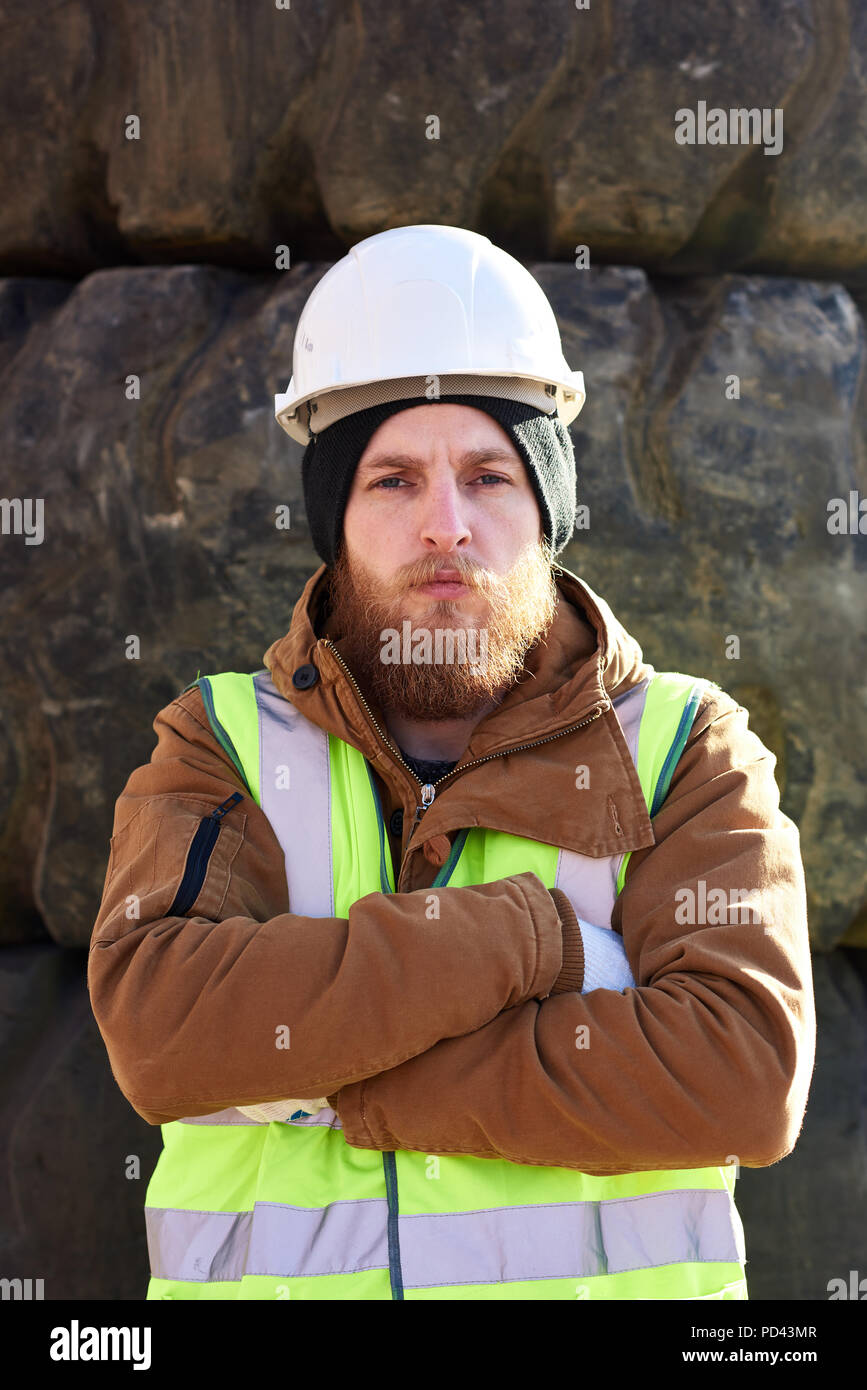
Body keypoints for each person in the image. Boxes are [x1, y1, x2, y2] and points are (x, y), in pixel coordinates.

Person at [88, 224, 815, 1301]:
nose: (445, 526)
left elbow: (738, 1078)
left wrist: (337, 1072)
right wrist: (532, 938)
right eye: (391, 481)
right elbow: (163, 1036)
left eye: (488, 475)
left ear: (547, 510)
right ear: (334, 519)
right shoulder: (221, 742)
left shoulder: (686, 751)